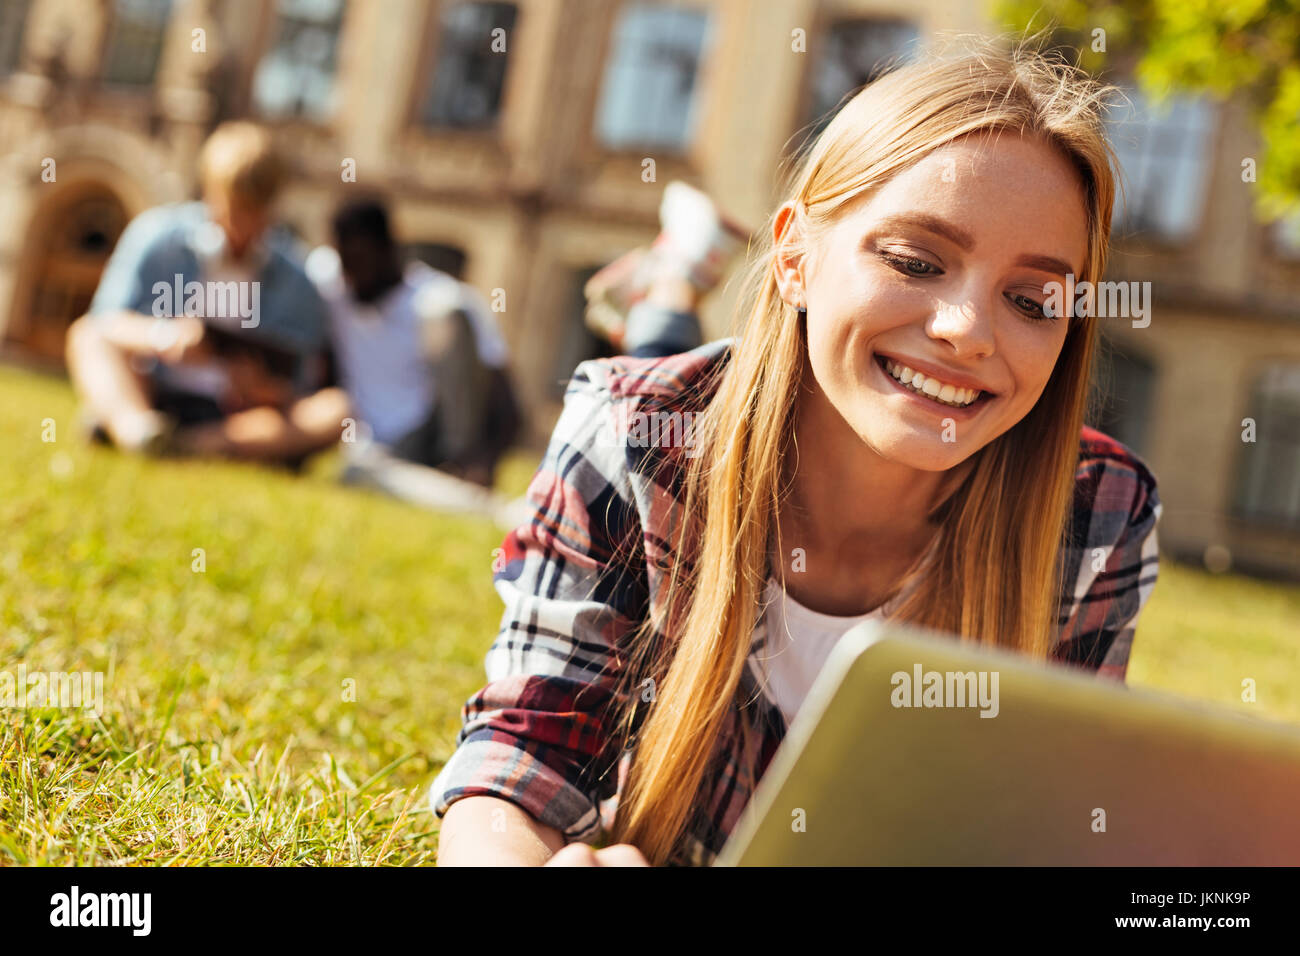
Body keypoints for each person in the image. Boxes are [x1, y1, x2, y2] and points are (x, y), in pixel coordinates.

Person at [432, 38, 1163, 867]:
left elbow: (1052, 831)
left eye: (1032, 300)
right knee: (668, 361)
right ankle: (676, 276)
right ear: (793, 255)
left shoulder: (1099, 512)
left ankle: (676, 277)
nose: (966, 330)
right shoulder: (633, 434)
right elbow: (523, 756)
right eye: (916, 261)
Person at [66, 121, 347, 464]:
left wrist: (266, 388)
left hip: (238, 419)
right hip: (155, 391)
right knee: (86, 335)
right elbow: (106, 319)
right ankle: (140, 432)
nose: (243, 226)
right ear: (210, 191)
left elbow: (303, 379)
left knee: (337, 410)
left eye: (255, 212)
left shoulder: (296, 277)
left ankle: (185, 447)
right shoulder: (159, 237)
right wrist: (163, 336)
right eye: (234, 209)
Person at [305, 199, 523, 523]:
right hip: (378, 450)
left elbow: (510, 409)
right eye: (344, 264)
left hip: (436, 435)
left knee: (445, 317)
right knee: (359, 472)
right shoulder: (331, 281)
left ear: (388, 250)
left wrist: (482, 461)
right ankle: (485, 508)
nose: (351, 277)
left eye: (359, 262)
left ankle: (463, 473)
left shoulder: (441, 297)